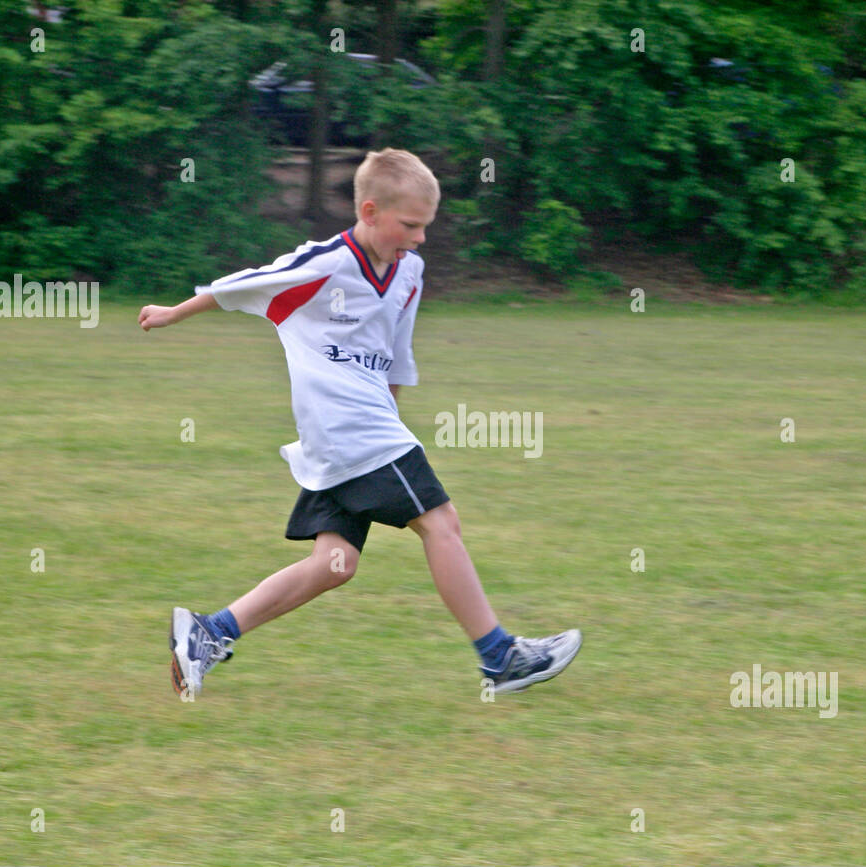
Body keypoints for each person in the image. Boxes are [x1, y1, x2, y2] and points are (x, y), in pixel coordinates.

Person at [137, 148, 580, 699]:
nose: (420, 238)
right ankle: (499, 657)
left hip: (363, 432)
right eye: (410, 225)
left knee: (334, 563)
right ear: (369, 212)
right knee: (441, 523)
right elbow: (246, 282)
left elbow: (395, 355)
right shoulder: (325, 264)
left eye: (426, 226)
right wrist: (174, 312)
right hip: (350, 433)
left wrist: (391, 416)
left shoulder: (409, 274)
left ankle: (209, 633)